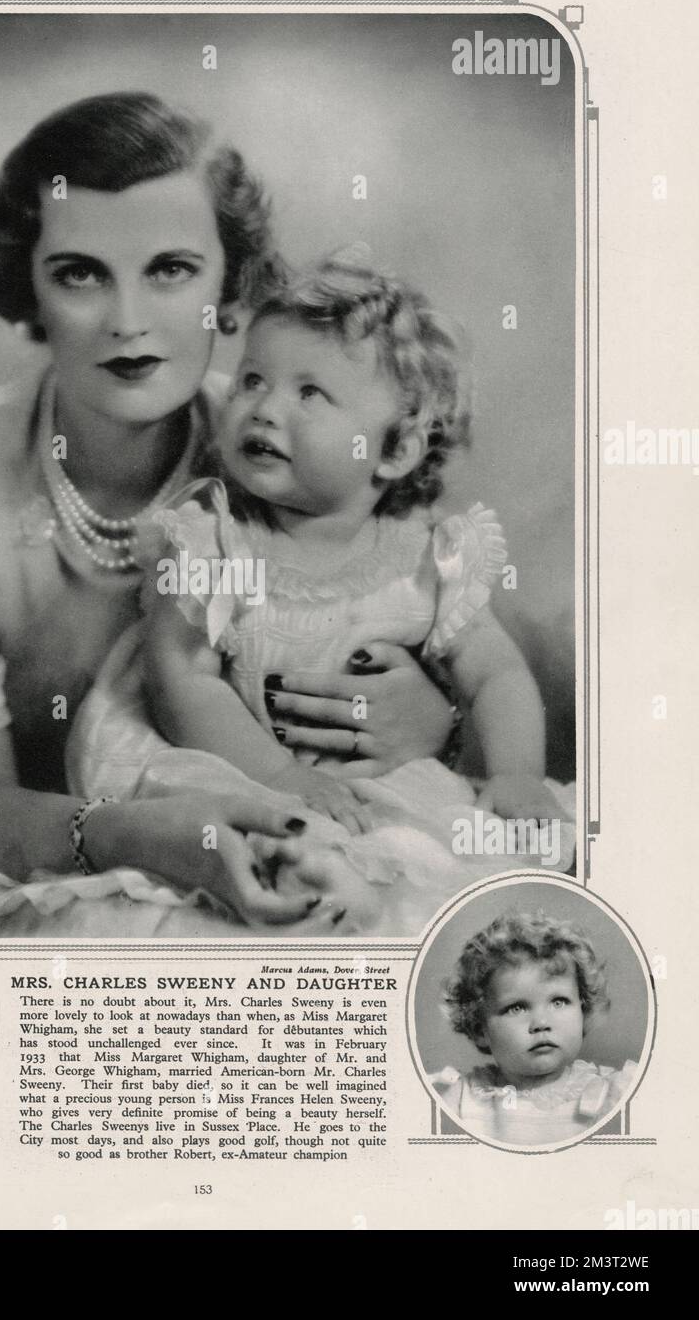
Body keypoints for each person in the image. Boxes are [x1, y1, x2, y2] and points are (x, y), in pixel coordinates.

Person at [0, 93, 453, 931]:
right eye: (80, 273)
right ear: (29, 289)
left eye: (170, 270)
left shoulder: (285, 451)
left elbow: (410, 610)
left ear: (231, 284)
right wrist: (140, 837)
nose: (128, 323)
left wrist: (431, 713)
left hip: (228, 858)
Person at [37, 246, 571, 934]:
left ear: (395, 451)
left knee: (427, 871)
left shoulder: (425, 557)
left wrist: (518, 771)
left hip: (360, 784)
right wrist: (280, 776)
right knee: (227, 874)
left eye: (309, 393)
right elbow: (181, 681)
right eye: (253, 380)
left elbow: (495, 674)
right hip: (226, 759)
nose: (263, 408)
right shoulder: (213, 537)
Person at [432, 910, 638, 1147]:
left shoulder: (612, 1094)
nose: (541, 1023)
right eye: (517, 1008)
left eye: (558, 1002)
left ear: (583, 1010)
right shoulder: (461, 1099)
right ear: (480, 1029)